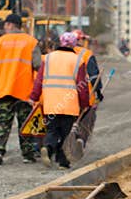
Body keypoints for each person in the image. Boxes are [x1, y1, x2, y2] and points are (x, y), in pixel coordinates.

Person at [29, 32, 90, 169]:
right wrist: (85, 103)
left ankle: (48, 148)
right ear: (74, 44)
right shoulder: (78, 61)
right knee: (66, 133)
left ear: (61, 43)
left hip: (51, 102)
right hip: (69, 104)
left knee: (52, 130)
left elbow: (39, 80)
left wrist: (33, 96)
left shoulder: (48, 58)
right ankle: (63, 162)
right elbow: (82, 86)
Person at [0, 13, 41, 165]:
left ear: (10, 25)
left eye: (5, 24)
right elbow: (38, 65)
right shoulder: (31, 42)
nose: (4, 27)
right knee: (24, 123)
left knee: (3, 122)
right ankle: (27, 154)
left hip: (4, 89)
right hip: (24, 91)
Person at [73, 30, 104, 105]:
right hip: (85, 96)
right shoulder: (87, 54)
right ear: (79, 40)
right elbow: (94, 76)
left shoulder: (64, 53)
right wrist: (98, 93)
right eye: (83, 39)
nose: (85, 42)